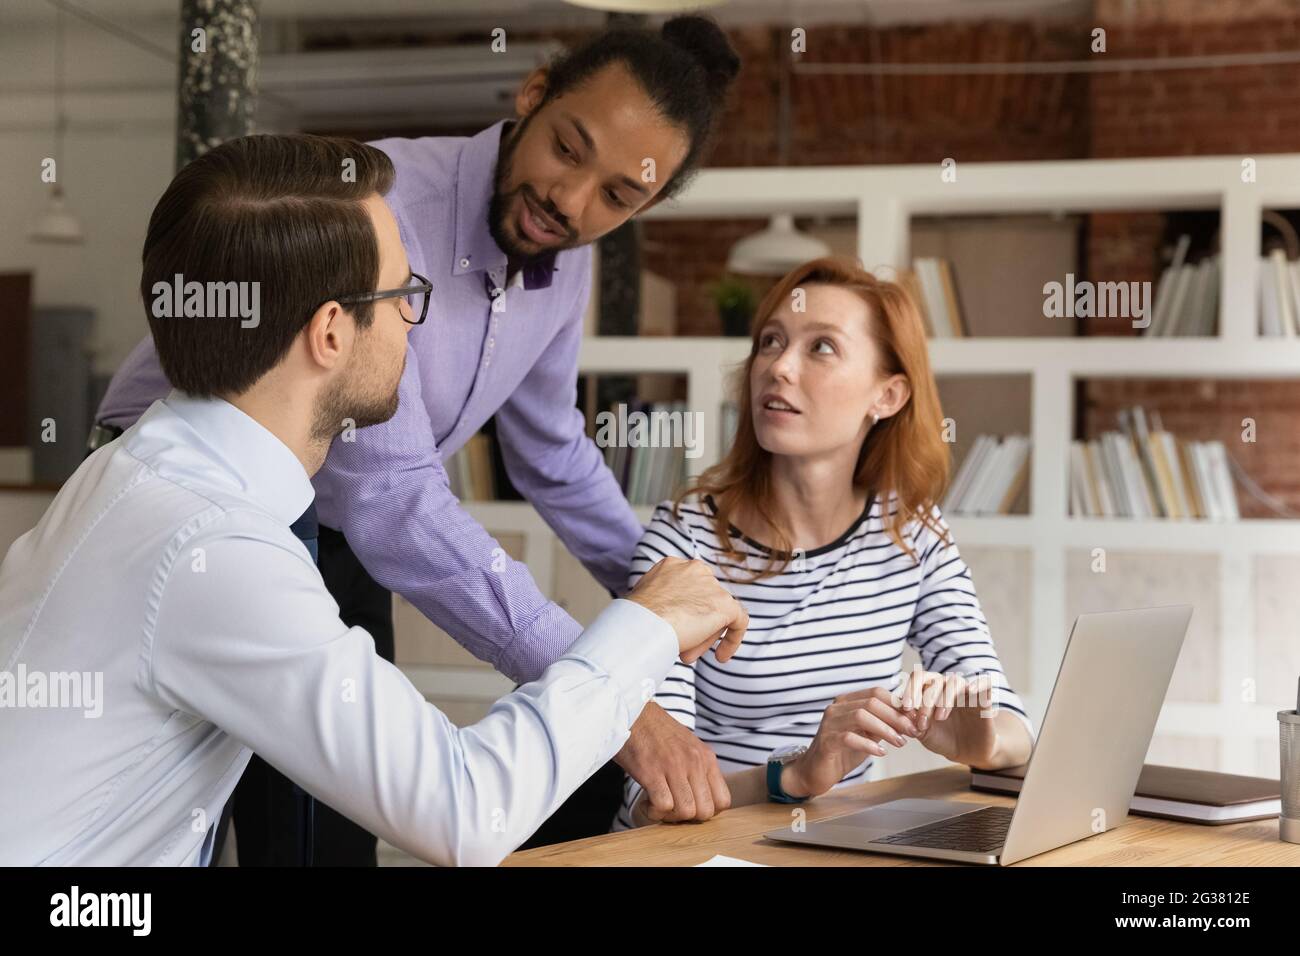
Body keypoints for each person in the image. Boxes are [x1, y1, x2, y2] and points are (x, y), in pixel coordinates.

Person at [89, 13, 743, 863]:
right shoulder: (392, 209)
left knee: (337, 816)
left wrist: (673, 589)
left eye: (620, 195)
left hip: (340, 508)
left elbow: (547, 449)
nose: (571, 201)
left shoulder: (566, 261)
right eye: (568, 150)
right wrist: (619, 694)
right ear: (532, 93)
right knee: (210, 791)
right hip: (208, 481)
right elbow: (394, 495)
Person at [613, 256, 1035, 829]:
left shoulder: (911, 533)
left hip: (834, 849)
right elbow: (653, 799)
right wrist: (798, 774)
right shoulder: (682, 541)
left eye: (822, 348)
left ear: (886, 396)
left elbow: (1015, 728)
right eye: (771, 342)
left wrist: (978, 738)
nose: (778, 367)